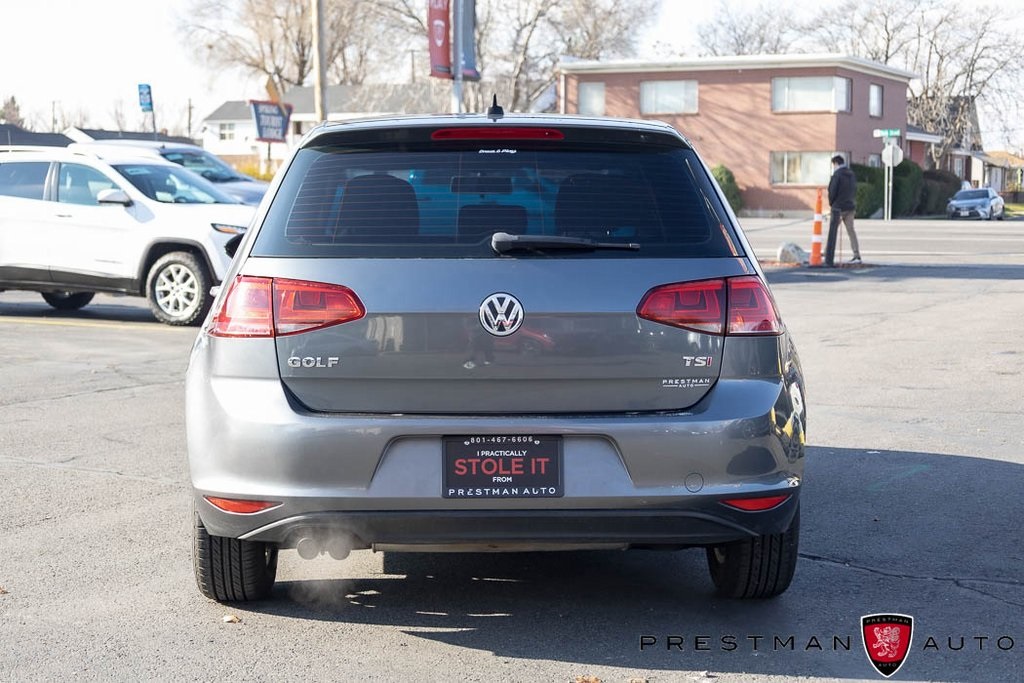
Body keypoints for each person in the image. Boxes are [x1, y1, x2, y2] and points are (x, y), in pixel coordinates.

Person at [825, 154, 861, 266]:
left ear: (836, 164)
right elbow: (855, 189)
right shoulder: (851, 174)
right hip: (850, 206)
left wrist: (832, 203)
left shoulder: (837, 175)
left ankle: (828, 254)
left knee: (833, 231)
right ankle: (856, 254)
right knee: (851, 231)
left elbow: (832, 191)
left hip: (838, 207)